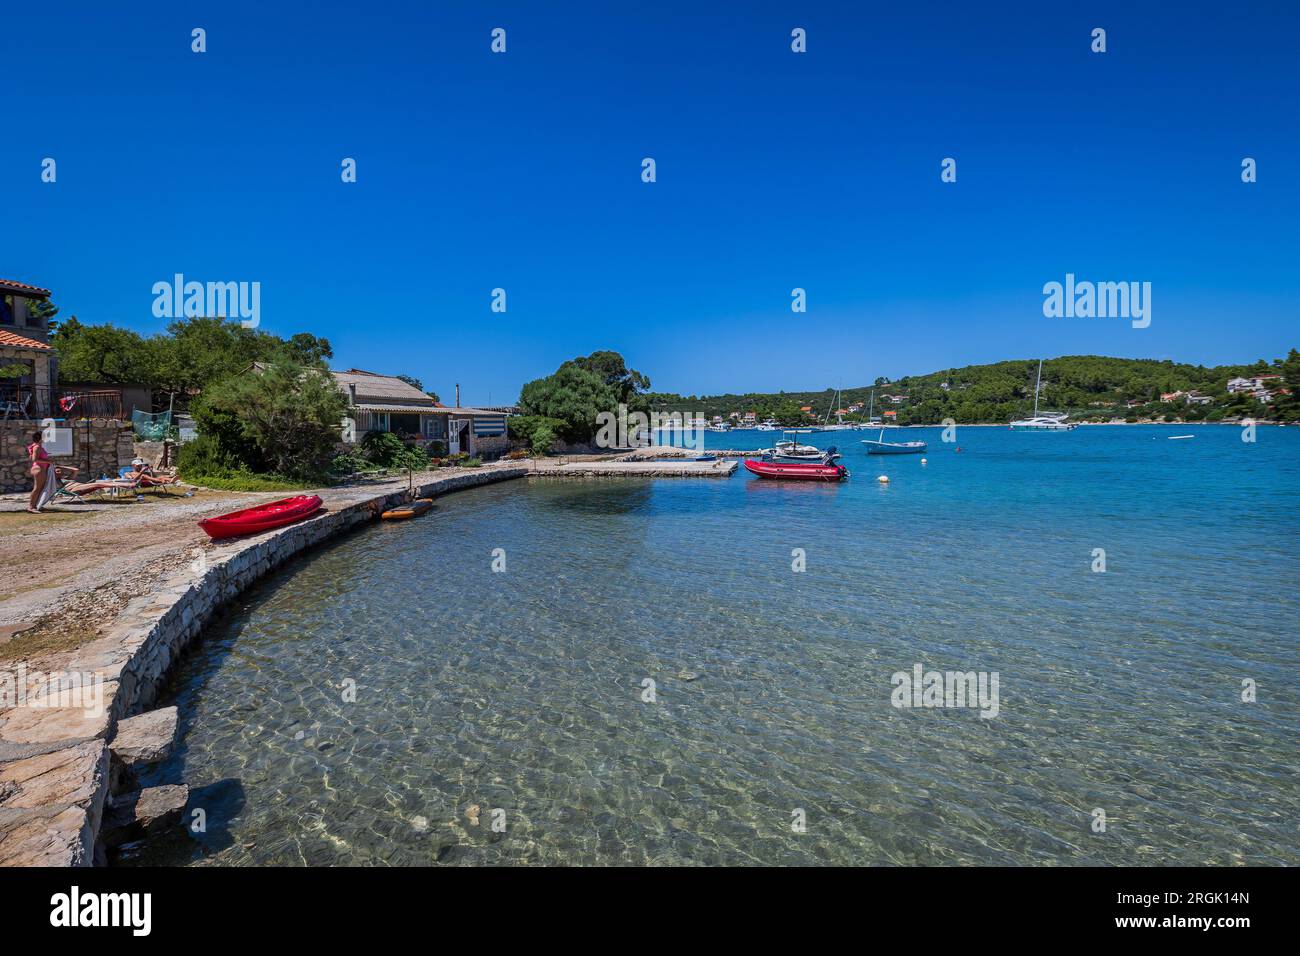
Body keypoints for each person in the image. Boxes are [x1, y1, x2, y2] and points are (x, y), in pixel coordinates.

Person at [26, 432, 79, 513]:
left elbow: (32, 457)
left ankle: (36, 505)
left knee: (41, 488)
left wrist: (47, 461)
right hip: (39, 469)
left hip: (41, 468)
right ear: (40, 438)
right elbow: (34, 459)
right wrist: (48, 461)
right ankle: (31, 507)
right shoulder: (37, 447)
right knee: (37, 488)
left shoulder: (36, 446)